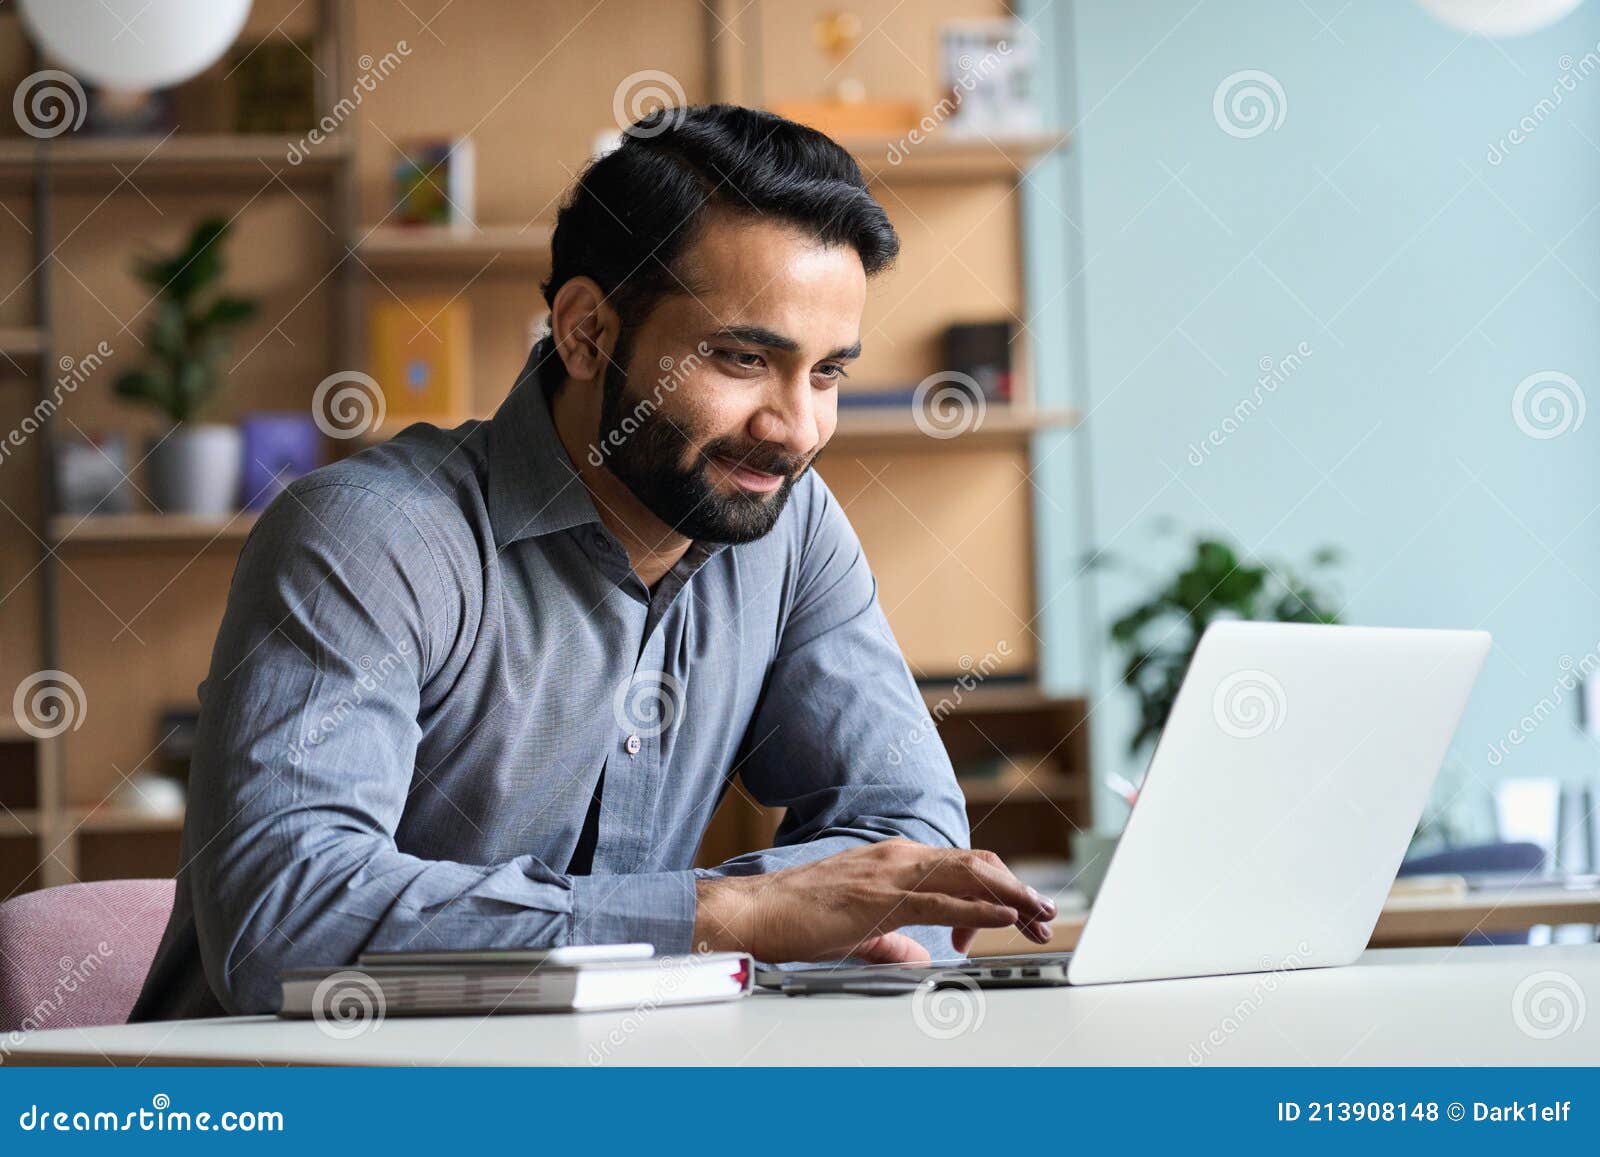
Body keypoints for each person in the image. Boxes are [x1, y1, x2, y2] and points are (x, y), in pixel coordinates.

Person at [131, 104, 1055, 1019]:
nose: (795, 430)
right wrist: (729, 915)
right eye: (741, 359)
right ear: (586, 332)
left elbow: (916, 842)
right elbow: (284, 923)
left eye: (826, 374)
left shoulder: (791, 526)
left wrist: (768, 919)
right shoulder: (369, 537)